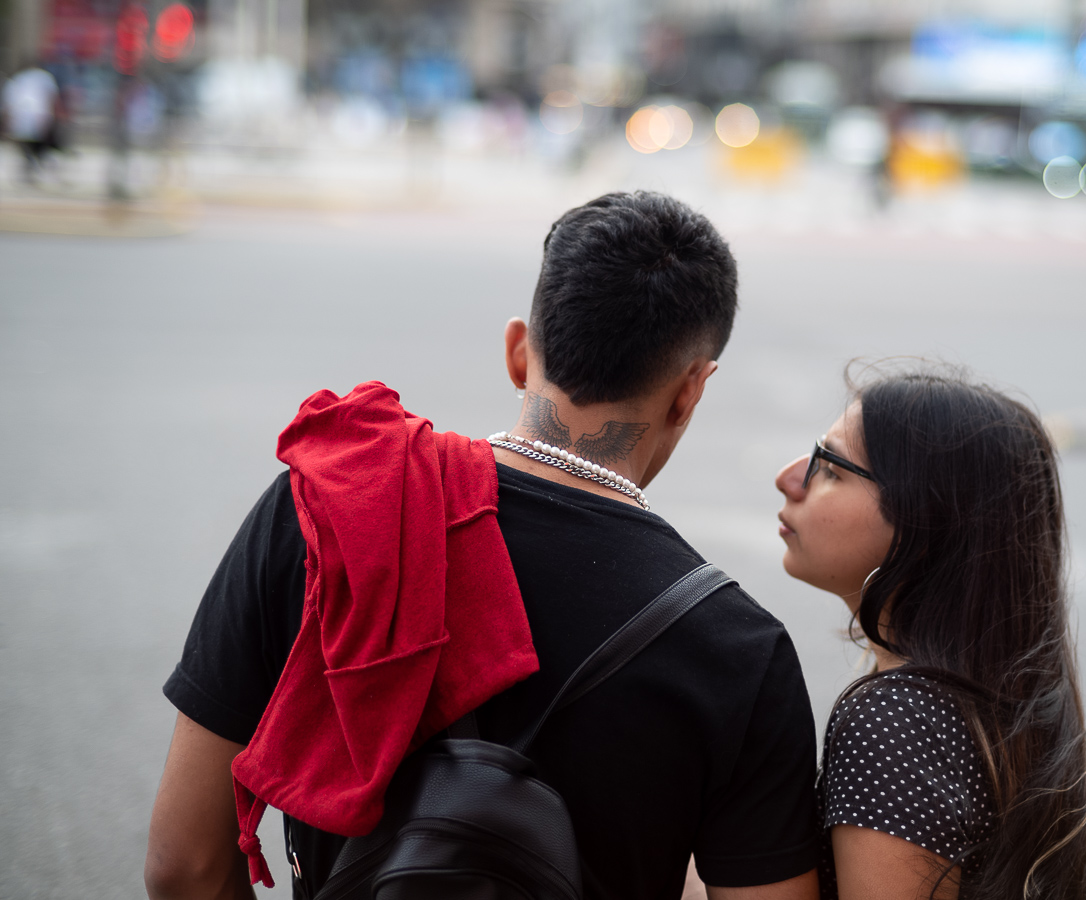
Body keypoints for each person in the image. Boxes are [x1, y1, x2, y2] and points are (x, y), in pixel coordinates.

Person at [145, 191, 820, 900]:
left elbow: (184, 864)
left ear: (519, 351)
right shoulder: (737, 650)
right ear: (691, 392)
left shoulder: (330, 505)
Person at [773, 368, 1086, 900]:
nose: (790, 477)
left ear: (924, 521)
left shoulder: (894, 720)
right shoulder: (1007, 698)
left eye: (830, 467)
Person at [2, 61, 62, 183]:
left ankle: (32, 166)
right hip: (38, 114)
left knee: (28, 145)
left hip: (22, 116)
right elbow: (51, 96)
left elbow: (9, 103)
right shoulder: (43, 77)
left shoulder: (17, 78)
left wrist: (7, 122)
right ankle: (35, 166)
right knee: (38, 145)